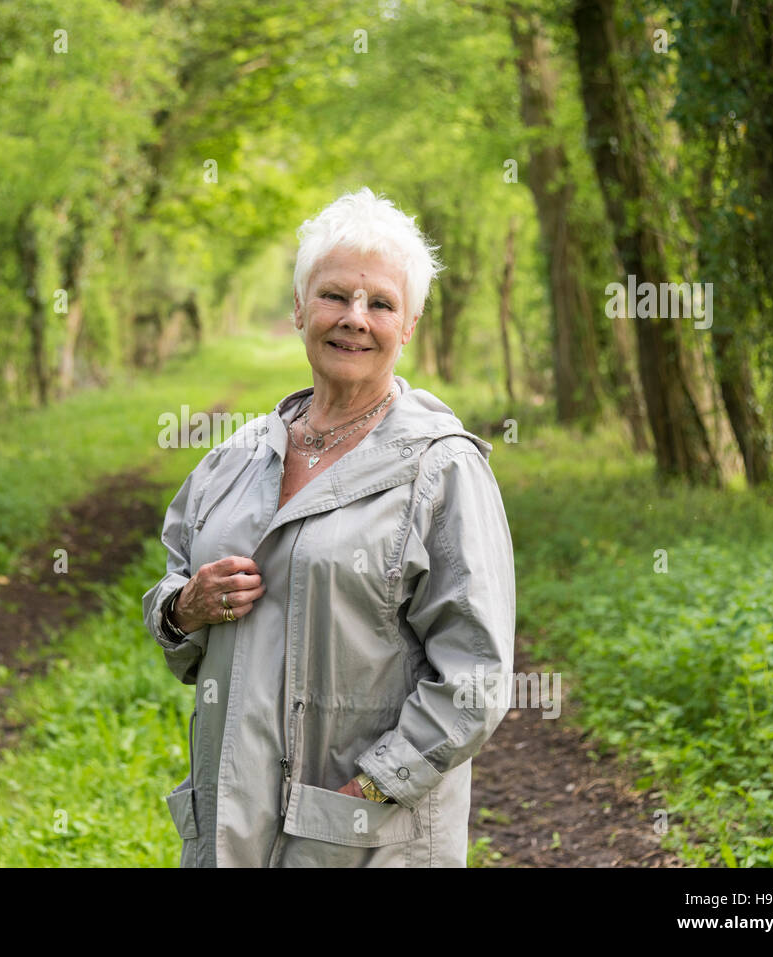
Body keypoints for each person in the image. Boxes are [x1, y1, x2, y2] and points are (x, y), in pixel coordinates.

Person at [141, 187, 516, 867]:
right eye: (334, 296)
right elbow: (172, 603)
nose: (354, 319)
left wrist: (375, 784)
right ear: (298, 308)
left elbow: (477, 675)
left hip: (369, 840)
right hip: (234, 831)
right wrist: (184, 606)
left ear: (409, 325)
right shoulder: (235, 459)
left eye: (380, 303)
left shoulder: (443, 470)